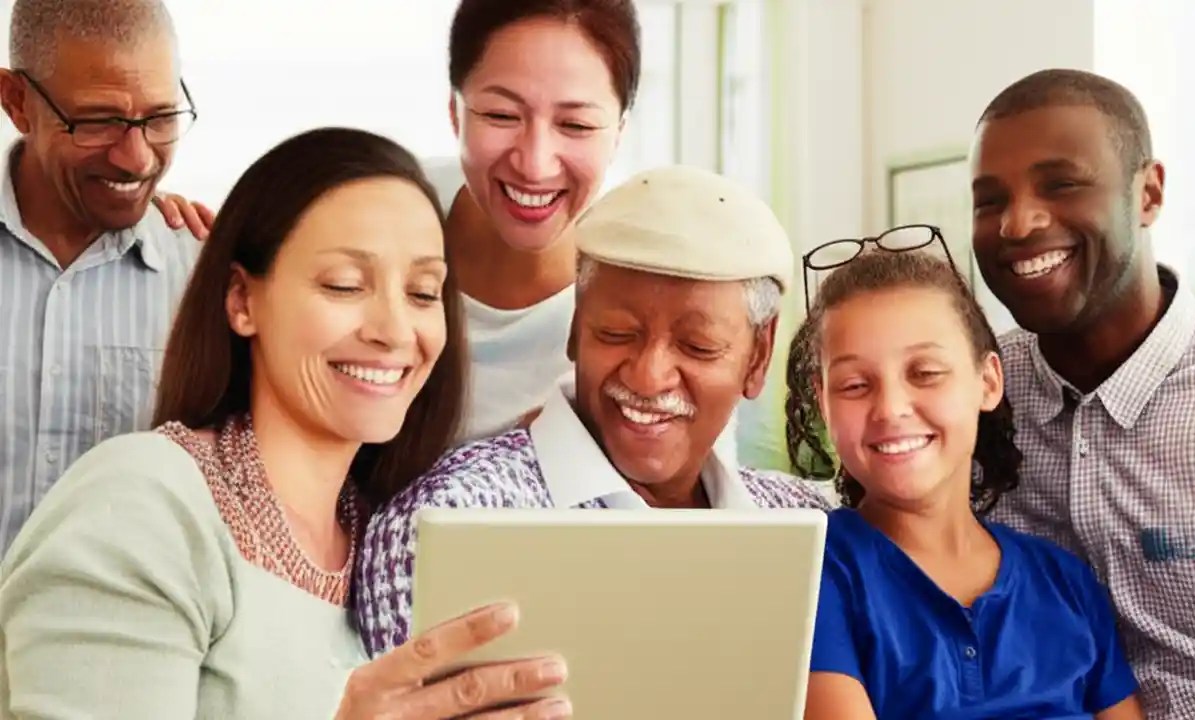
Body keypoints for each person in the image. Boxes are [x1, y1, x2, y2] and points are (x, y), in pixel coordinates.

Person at [0, 127, 573, 720]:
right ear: (242, 300)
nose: (395, 331)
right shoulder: (142, 505)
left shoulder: (394, 544)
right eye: (345, 285)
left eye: (424, 292)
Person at [355, 164, 833, 658]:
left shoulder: (812, 524)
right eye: (616, 334)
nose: (648, 377)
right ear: (575, 326)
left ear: (757, 358)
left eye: (697, 346)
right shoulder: (446, 523)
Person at [156, 0, 641, 445]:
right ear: (455, 113)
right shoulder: (380, 202)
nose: (535, 164)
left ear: (619, 131)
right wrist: (147, 222)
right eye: (500, 114)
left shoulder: (639, 294)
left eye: (575, 125)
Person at [970, 68, 1195, 718]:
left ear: (1148, 193)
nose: (1017, 224)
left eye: (1061, 185)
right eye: (989, 200)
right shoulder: (971, 397)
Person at [788, 249, 1143, 720]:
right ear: (823, 401)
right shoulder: (812, 571)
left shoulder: (1067, 583)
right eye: (855, 385)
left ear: (988, 381)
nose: (891, 408)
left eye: (926, 374)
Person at [0, 0, 202, 551]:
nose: (136, 159)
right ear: (17, 102)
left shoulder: (208, 278)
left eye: (159, 118)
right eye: (98, 122)